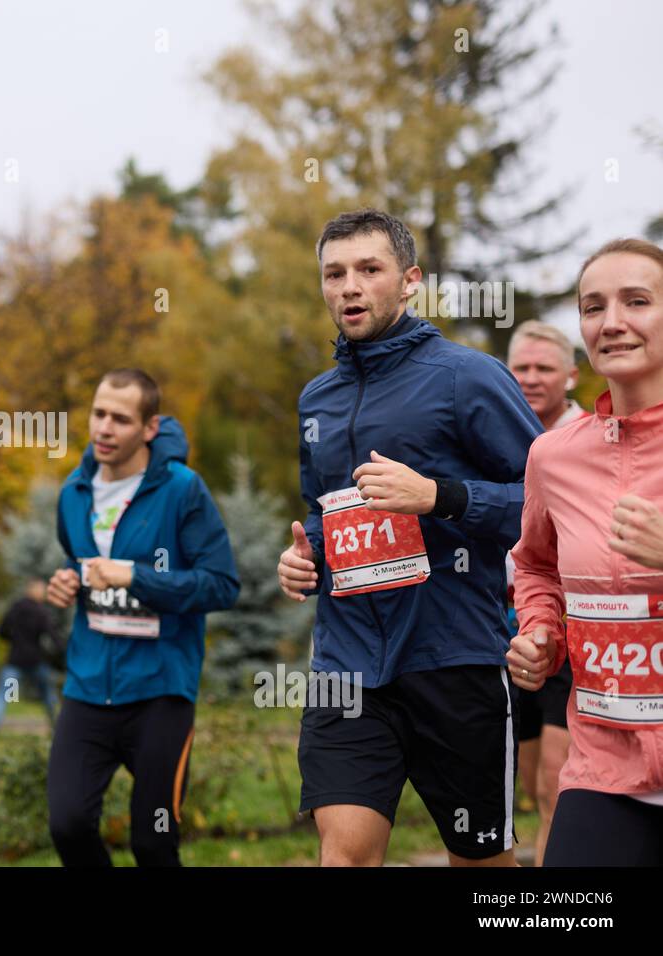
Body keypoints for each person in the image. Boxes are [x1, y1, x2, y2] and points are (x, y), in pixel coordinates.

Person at [276, 209, 542, 867]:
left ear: (409, 280)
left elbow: (547, 506)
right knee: (345, 855)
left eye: (369, 269)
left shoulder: (466, 377)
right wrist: (304, 554)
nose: (349, 287)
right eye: (334, 273)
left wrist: (440, 496)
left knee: (478, 863)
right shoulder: (317, 399)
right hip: (348, 662)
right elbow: (327, 510)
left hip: (452, 658)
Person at [508, 238, 663, 866]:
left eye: (637, 301)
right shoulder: (554, 456)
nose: (612, 322)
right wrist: (542, 629)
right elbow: (535, 564)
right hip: (604, 769)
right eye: (593, 306)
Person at [44, 369, 239, 866]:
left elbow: (221, 585)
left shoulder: (181, 489)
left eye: (121, 419)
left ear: (150, 428)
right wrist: (68, 580)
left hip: (160, 693)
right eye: (99, 414)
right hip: (88, 688)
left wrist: (136, 577)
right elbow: (82, 563)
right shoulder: (74, 492)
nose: (105, 429)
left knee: (153, 842)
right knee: (67, 826)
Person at [504, 320, 590, 864]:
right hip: (513, 630)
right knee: (529, 786)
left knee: (556, 789)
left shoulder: (590, 440)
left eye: (544, 368)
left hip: (578, 628)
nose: (531, 378)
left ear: (571, 375)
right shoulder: (497, 433)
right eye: (521, 368)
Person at [0, 580, 60, 737]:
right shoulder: (41, 612)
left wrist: (14, 641)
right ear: (35, 591)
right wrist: (60, 653)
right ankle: (58, 728)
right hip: (35, 660)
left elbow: (1, 630)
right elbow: (53, 636)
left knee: (4, 695)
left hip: (15, 659)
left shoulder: (15, 608)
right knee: (48, 694)